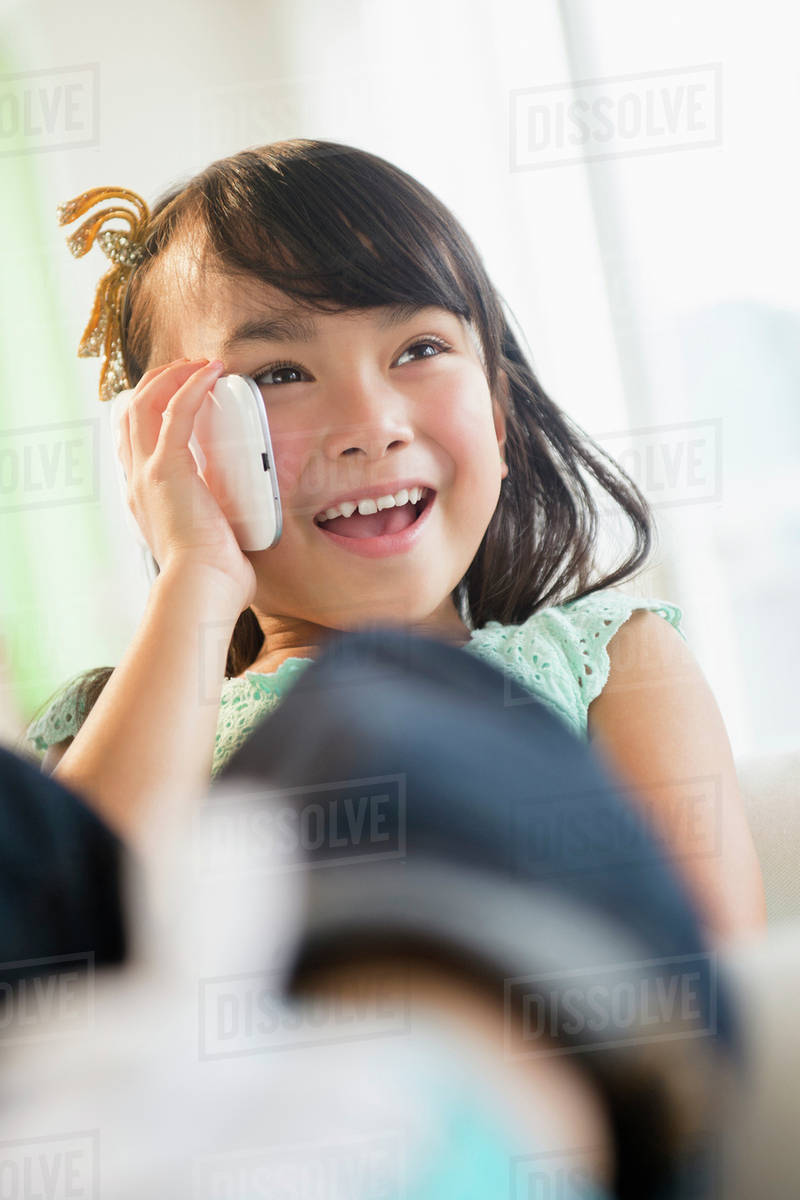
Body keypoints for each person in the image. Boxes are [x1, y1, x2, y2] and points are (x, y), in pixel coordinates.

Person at [19, 138, 764, 941]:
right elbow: (66, 947)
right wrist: (195, 574)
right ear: (167, 453)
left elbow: (708, 966)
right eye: (278, 375)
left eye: (419, 350)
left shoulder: (609, 658)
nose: (372, 428)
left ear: (499, 413)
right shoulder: (121, 719)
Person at [0, 626, 742, 1200]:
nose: (371, 426)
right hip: (152, 1055)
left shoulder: (598, 645)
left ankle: (435, 1126)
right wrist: (198, 569)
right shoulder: (135, 699)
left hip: (342, 1010)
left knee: (378, 688)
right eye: (280, 415)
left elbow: (724, 948)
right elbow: (97, 894)